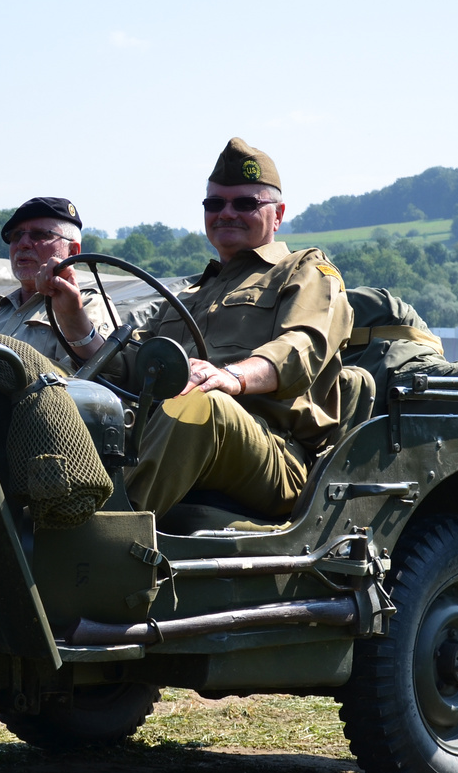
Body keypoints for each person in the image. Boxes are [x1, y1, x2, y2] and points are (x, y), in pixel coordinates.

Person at [50, 137, 352, 518]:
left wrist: (231, 377)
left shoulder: (305, 271)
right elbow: (138, 366)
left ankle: (108, 533)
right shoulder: (192, 294)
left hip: (276, 453)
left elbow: (302, 346)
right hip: (166, 434)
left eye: (245, 203)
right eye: (215, 203)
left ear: (278, 215)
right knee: (55, 391)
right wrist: (77, 323)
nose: (226, 213)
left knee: (202, 404)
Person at [0, 196, 116, 371]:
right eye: (15, 235)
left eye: (40, 234)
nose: (23, 244)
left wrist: (73, 317)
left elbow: (95, 378)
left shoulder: (87, 305)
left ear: (72, 252)